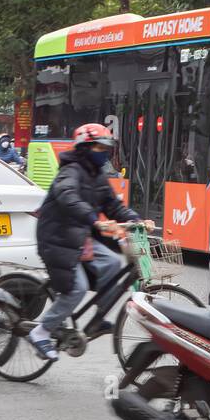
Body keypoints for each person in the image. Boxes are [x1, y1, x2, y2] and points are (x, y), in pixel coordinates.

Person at [29, 123, 152, 362]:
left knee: (112, 264)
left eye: (107, 148)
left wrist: (135, 219)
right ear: (84, 148)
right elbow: (69, 198)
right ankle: (41, 331)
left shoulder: (97, 175)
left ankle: (97, 320)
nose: (103, 152)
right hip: (57, 238)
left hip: (79, 236)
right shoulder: (70, 171)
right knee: (77, 287)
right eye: (99, 147)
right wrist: (95, 221)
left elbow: (113, 205)